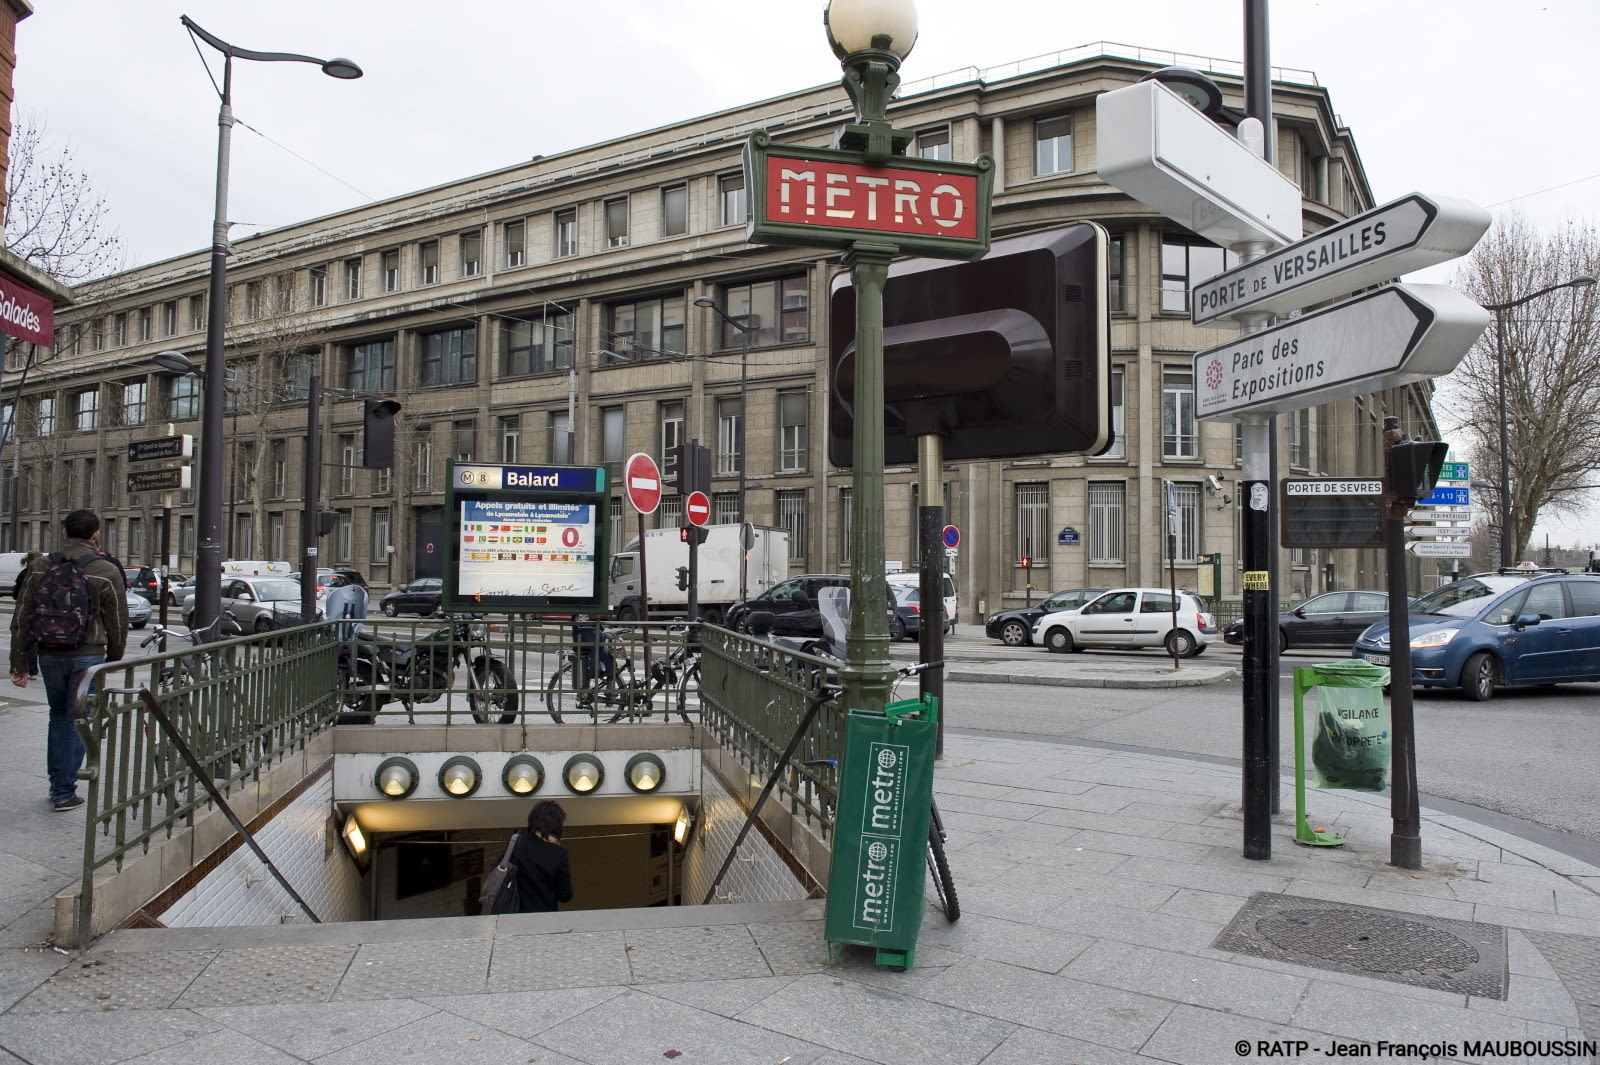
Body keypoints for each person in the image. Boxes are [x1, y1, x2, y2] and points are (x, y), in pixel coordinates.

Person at [9, 510, 128, 812]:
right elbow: (117, 621)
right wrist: (113, 657)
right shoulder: (106, 569)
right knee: (79, 718)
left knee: (58, 715)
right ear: (95, 534)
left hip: (49, 653)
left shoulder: (40, 567)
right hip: (87, 654)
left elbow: (21, 618)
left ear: (64, 532)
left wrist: (20, 663)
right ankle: (63, 790)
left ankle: (58, 785)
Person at [509, 799, 573, 913]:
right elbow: (565, 896)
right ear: (556, 825)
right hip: (544, 918)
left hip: (512, 914)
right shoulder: (559, 853)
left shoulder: (515, 843)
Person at [12, 551, 44, 677]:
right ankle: (33, 670)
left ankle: (20, 668)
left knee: (21, 639)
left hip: (25, 610)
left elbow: (16, 594)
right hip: (40, 612)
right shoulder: (47, 574)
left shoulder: (24, 574)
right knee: (34, 642)